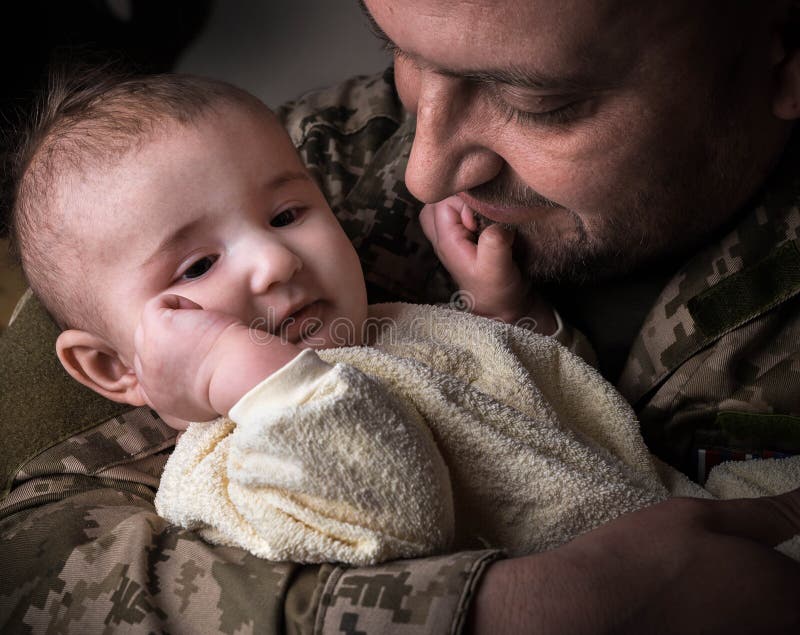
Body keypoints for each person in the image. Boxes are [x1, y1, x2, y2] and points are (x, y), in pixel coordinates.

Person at [2, 0, 800, 632]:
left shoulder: (384, 320)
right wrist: (520, 610)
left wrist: (508, 314)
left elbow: (541, 397)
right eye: (400, 55)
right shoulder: (237, 447)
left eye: (538, 99)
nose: (422, 173)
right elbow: (29, 555)